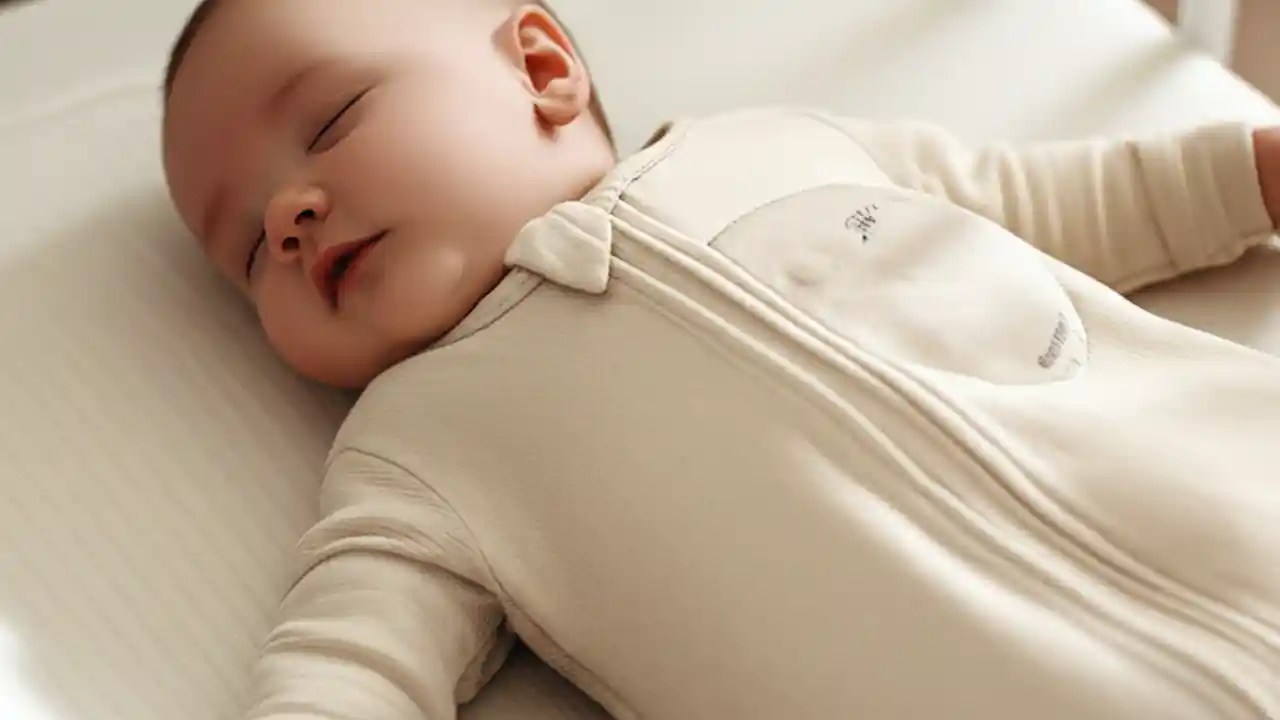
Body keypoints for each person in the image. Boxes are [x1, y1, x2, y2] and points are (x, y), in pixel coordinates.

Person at [162, 0, 1280, 717]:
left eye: (332, 120)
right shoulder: (415, 451)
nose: (291, 213)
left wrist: (1248, 173)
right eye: (250, 246)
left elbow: (1057, 200)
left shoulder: (776, 145)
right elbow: (351, 658)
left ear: (541, 66)